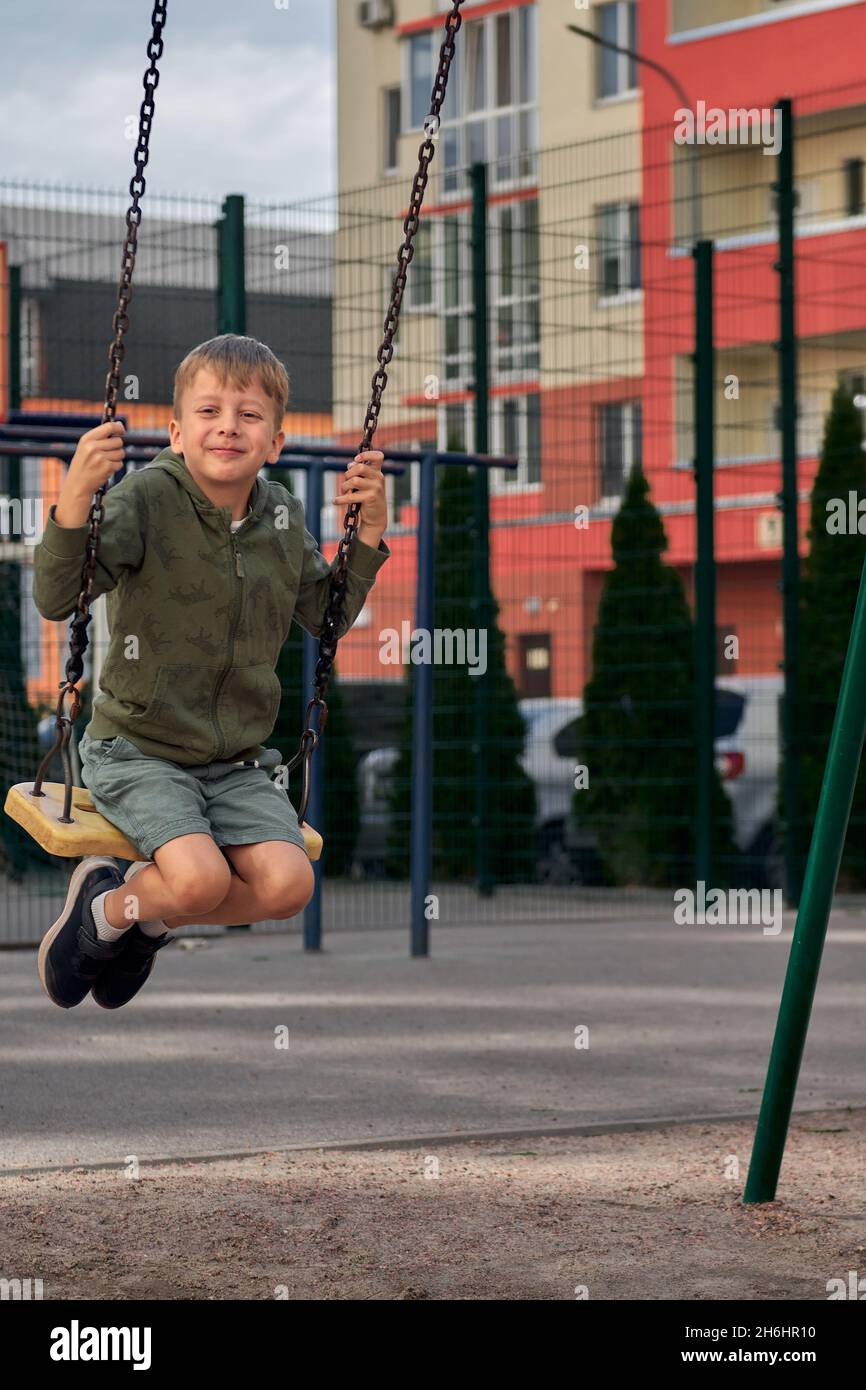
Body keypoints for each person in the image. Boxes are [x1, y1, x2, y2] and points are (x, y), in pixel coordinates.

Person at [32, 333, 390, 1010]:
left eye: (250, 415)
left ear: (276, 441)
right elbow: (58, 597)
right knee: (196, 879)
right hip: (137, 750)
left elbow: (327, 614)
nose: (228, 425)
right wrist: (78, 490)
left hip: (235, 762)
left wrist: (369, 530)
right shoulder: (144, 500)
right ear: (175, 431)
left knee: (289, 886)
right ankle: (104, 916)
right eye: (209, 411)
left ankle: (141, 920)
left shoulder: (281, 515)